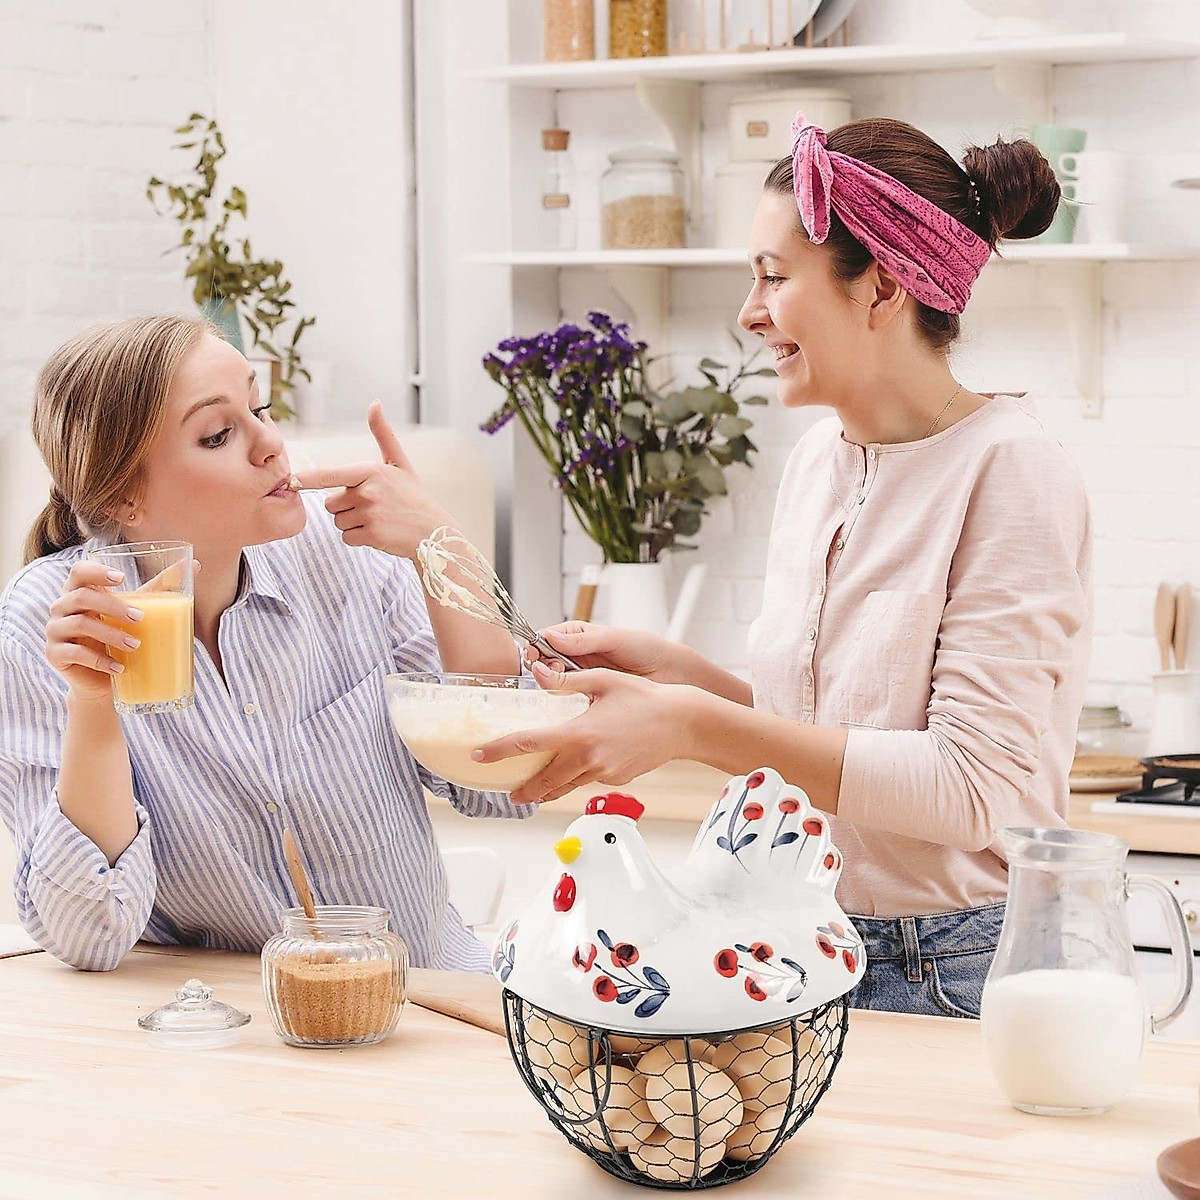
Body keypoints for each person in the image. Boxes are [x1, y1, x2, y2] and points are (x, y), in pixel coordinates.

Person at [474, 115, 1093, 1018]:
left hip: (960, 969)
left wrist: (688, 722)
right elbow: (822, 732)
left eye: (773, 276)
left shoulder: (1011, 470)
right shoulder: (817, 462)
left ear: (881, 287)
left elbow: (971, 790)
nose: (749, 310)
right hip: (808, 941)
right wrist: (675, 675)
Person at [0, 315, 526, 973]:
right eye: (219, 433)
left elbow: (507, 782)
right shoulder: (51, 622)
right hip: (227, 1039)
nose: (270, 444)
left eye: (261, 408)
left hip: (426, 1005)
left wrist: (444, 551)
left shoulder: (346, 557)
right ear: (127, 496)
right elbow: (90, 936)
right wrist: (94, 706)